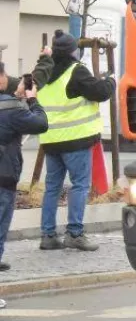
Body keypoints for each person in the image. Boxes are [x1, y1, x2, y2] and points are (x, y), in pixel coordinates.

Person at [32, 31, 115, 252]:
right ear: (73, 51)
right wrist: (110, 81)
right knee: (80, 186)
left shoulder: (43, 72)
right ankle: (75, 233)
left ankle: (47, 235)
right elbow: (100, 92)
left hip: (50, 140)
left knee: (52, 188)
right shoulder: (75, 71)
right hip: (75, 140)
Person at [0, 63, 49, 274]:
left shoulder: (10, 106)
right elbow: (40, 123)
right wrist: (32, 99)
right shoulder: (11, 109)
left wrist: (16, 97)